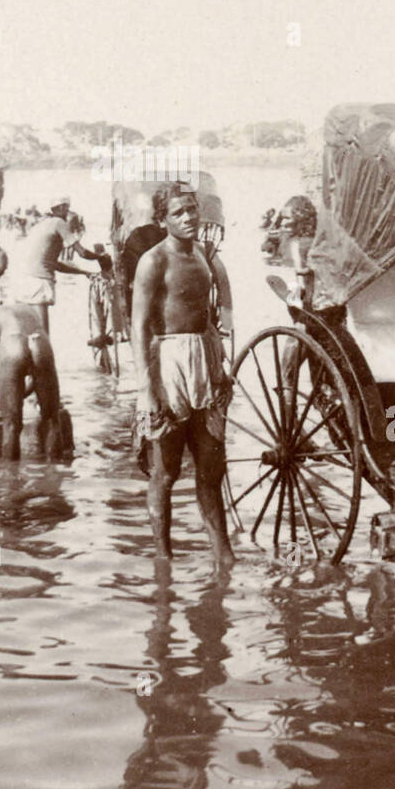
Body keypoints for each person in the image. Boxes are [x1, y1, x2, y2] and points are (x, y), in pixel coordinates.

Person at [131, 182, 234, 573]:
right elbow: (138, 326)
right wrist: (147, 389)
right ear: (163, 219)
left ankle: (224, 557)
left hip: (204, 361)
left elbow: (215, 307)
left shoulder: (204, 255)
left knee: (210, 468)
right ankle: (163, 560)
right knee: (166, 471)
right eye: (179, 212)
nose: (189, 217)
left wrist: (221, 361)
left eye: (192, 209)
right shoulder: (154, 261)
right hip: (168, 362)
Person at [0, 303, 65, 458]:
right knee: (52, 420)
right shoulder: (22, 309)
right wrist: (22, 394)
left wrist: (2, 401)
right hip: (40, 342)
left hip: (12, 345)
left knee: (11, 427)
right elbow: (35, 376)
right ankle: (55, 476)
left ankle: (11, 479)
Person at [9, 196, 103, 332]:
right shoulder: (59, 223)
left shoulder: (41, 224)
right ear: (61, 208)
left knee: (26, 331)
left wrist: (84, 272)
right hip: (38, 281)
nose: (68, 212)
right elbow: (82, 253)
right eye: (67, 208)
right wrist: (101, 258)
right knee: (42, 334)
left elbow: (54, 264)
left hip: (22, 279)